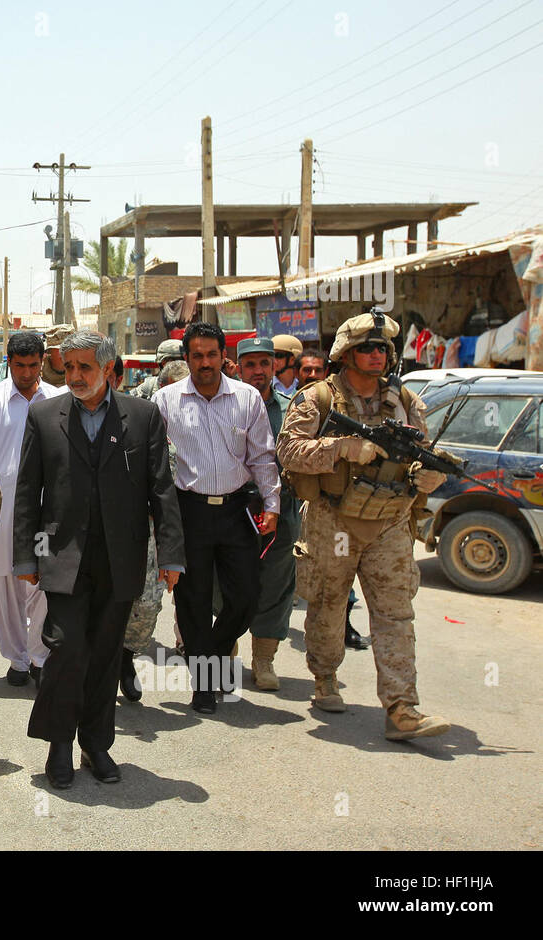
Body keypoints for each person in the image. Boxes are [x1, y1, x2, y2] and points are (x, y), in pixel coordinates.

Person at [13, 330, 184, 789]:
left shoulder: (143, 417)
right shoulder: (44, 416)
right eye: (67, 367)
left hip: (121, 558)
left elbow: (161, 489)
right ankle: (59, 744)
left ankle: (96, 744)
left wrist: (171, 554)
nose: (74, 376)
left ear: (108, 369)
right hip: (62, 556)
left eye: (83, 367)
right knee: (67, 648)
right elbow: (29, 490)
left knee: (106, 655)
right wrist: (26, 555)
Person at [277, 311, 450, 741]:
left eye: (382, 349)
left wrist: (427, 477)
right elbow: (289, 452)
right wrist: (343, 448)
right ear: (346, 355)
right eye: (367, 348)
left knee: (395, 615)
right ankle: (325, 678)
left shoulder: (406, 401)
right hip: (333, 521)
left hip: (390, 522)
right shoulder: (316, 398)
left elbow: (422, 453)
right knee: (329, 604)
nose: (376, 355)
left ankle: (401, 707)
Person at [152, 323, 279, 714]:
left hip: (236, 511)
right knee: (191, 602)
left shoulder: (247, 399)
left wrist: (272, 504)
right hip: (188, 512)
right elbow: (154, 464)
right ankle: (204, 684)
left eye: (211, 355)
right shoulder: (166, 401)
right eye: (196, 355)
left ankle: (214, 653)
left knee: (245, 599)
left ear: (223, 356)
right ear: (186, 358)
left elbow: (261, 455)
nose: (204, 363)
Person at [0, 332, 60, 688]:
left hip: (45, 511)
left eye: (33, 365)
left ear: (42, 362)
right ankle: (17, 660)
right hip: (3, 511)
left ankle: (40, 656)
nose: (27, 373)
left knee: (43, 581)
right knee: (3, 582)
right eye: (20, 365)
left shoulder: (58, 400)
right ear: (9, 362)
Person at [234, 338, 301, 691]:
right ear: (239, 367)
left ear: (274, 367)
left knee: (276, 585)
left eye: (265, 363)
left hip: (280, 514)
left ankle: (264, 661)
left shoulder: (293, 410)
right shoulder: (225, 404)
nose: (258, 371)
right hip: (232, 512)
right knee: (223, 586)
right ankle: (225, 655)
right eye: (250, 364)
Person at [121, 358, 190, 696]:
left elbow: (169, 498)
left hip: (151, 535)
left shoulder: (172, 441)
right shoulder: (131, 424)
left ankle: (126, 653)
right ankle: (107, 665)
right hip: (116, 532)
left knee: (148, 605)